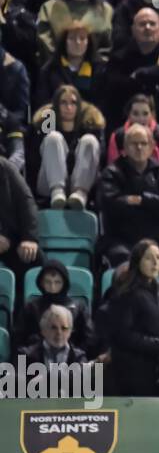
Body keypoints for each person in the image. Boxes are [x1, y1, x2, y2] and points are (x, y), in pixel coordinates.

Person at [96, 122, 159, 281]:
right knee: (123, 260)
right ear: (124, 146)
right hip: (123, 239)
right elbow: (112, 205)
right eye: (134, 143)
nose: (139, 148)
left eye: (143, 143)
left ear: (152, 146)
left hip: (158, 240)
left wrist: (142, 201)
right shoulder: (111, 173)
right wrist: (158, 204)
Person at [101, 239, 159, 396]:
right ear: (137, 261)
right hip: (129, 372)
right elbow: (124, 336)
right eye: (148, 258)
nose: (155, 262)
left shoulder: (158, 295)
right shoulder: (127, 293)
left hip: (150, 367)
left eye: (158, 258)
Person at [30, 83, 103, 209]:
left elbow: (99, 158)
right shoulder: (46, 123)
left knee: (90, 140)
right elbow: (34, 160)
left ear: (79, 105)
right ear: (56, 105)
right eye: (63, 103)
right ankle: (57, 192)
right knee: (53, 137)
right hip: (48, 184)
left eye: (73, 103)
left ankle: (80, 193)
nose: (68, 107)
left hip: (83, 185)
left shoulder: (90, 125)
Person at [15, 259, 95, 355]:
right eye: (48, 282)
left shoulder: (79, 307)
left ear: (64, 283)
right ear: (41, 283)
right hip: (37, 358)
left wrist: (75, 354)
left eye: (57, 282)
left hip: (71, 359)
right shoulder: (31, 307)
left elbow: (89, 337)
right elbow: (19, 338)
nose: (52, 287)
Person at [0, 149, 40, 277]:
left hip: (9, 238)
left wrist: (29, 238)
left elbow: (26, 201)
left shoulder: (5, 167)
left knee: (32, 256)